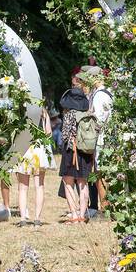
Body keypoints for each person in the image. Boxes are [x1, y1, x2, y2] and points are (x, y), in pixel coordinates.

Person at [58, 72, 94, 223]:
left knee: (68, 182)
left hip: (70, 150)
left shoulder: (68, 115)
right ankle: (81, 214)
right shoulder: (87, 111)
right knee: (83, 182)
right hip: (85, 150)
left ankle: (73, 215)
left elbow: (65, 136)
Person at [14, 109, 53, 226]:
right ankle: (37, 218)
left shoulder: (20, 110)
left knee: (22, 187)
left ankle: (22, 219)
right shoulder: (43, 112)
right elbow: (48, 132)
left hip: (24, 148)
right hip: (39, 150)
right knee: (39, 185)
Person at [83, 67, 113, 216]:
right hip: (109, 137)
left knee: (100, 173)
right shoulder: (108, 92)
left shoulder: (99, 95)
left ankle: (105, 207)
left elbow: (99, 119)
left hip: (101, 138)